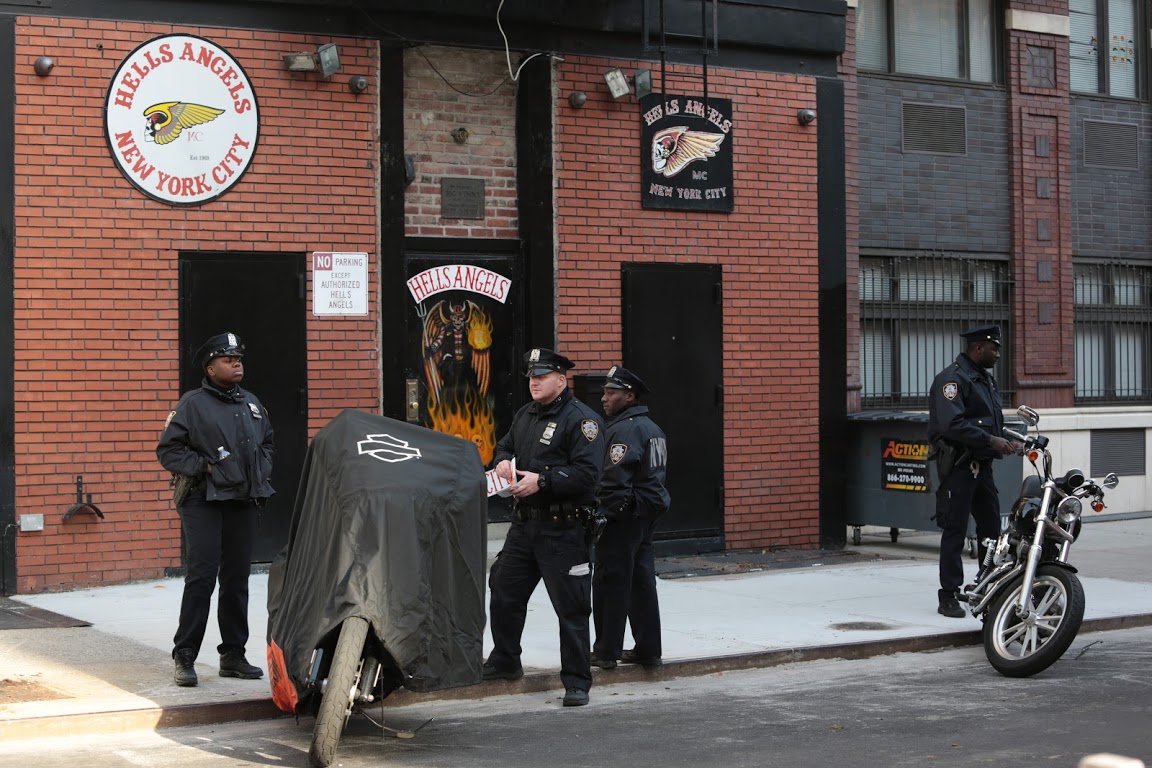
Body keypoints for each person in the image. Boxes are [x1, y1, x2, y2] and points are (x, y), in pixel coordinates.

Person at [482, 348, 605, 707]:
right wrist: (503, 462)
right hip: (525, 527)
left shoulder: (582, 421)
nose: (533, 382)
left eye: (541, 376)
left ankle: (578, 681)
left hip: (563, 530)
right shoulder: (526, 414)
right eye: (531, 377)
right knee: (503, 589)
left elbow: (588, 475)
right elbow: (503, 446)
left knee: (571, 607)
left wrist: (544, 481)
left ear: (561, 379)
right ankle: (506, 659)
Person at [157, 332, 275, 686]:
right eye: (227, 359)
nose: (236, 363)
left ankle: (233, 656)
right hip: (203, 500)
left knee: (237, 580)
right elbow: (169, 451)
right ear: (210, 368)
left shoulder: (251, 403)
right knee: (201, 577)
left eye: (238, 358)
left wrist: (262, 470)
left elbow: (267, 443)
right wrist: (207, 467)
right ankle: (185, 654)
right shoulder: (192, 405)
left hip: (241, 499)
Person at [927, 324, 1019, 619]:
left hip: (984, 468)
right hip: (959, 467)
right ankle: (948, 595)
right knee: (955, 531)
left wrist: (1006, 437)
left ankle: (986, 587)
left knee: (991, 532)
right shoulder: (952, 380)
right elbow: (951, 424)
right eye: (994, 349)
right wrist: (991, 440)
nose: (997, 354)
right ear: (978, 348)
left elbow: (986, 421)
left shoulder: (984, 380)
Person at [589, 366, 670, 671]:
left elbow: (613, 481)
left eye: (612, 392)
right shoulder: (652, 428)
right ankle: (648, 649)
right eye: (604, 391)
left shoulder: (624, 430)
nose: (604, 398)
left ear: (630, 395)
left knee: (611, 582)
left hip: (623, 519)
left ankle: (606, 652)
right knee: (641, 582)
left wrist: (605, 515)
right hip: (645, 516)